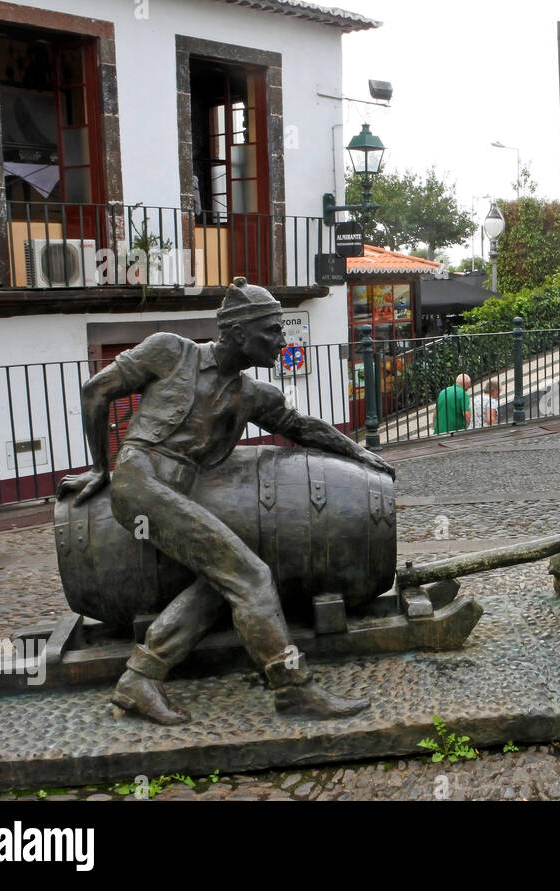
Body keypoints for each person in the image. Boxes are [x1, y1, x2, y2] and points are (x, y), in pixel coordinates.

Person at [57, 277, 393, 725]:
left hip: (184, 491)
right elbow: (95, 391)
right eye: (272, 331)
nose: (281, 340)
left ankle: (140, 677)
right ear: (239, 332)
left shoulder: (250, 394)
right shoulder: (170, 350)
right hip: (141, 484)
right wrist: (102, 468)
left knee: (222, 584)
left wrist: (360, 453)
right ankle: (293, 688)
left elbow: (302, 427)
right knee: (252, 575)